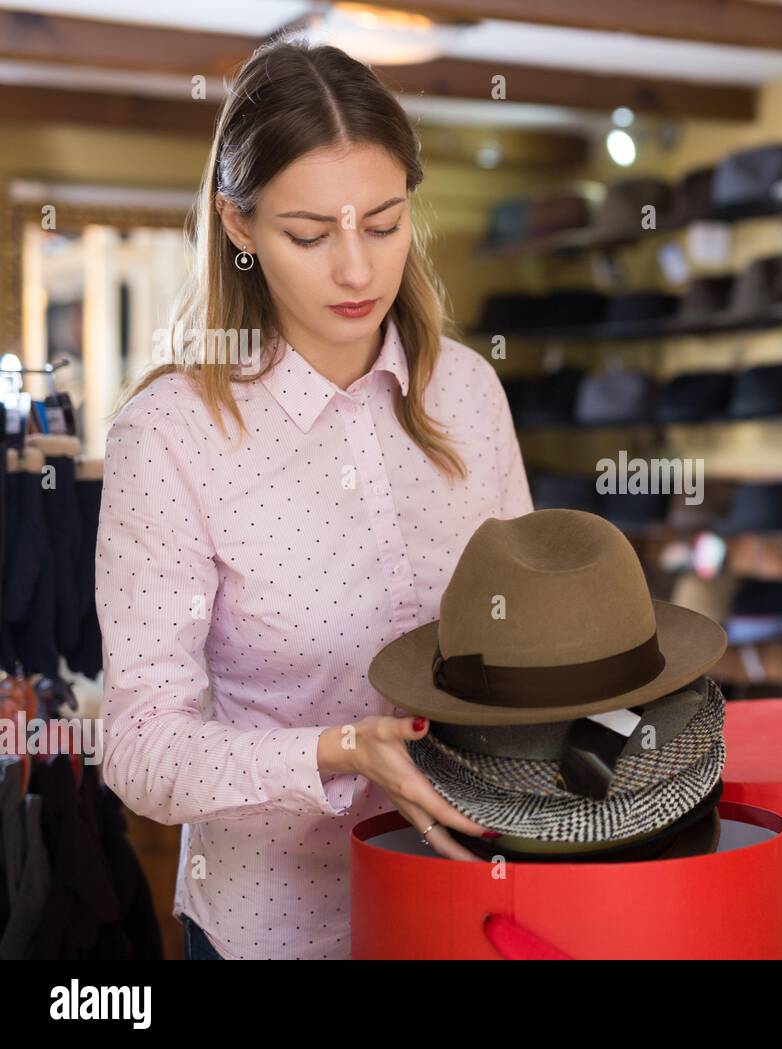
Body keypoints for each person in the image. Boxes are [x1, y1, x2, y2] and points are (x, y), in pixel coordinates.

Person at [95, 38, 532, 960]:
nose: (356, 271)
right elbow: (139, 751)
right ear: (240, 226)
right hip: (275, 928)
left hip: (475, 899)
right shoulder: (170, 435)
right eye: (309, 235)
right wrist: (334, 750)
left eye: (383, 223)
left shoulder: (466, 391)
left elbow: (524, 633)